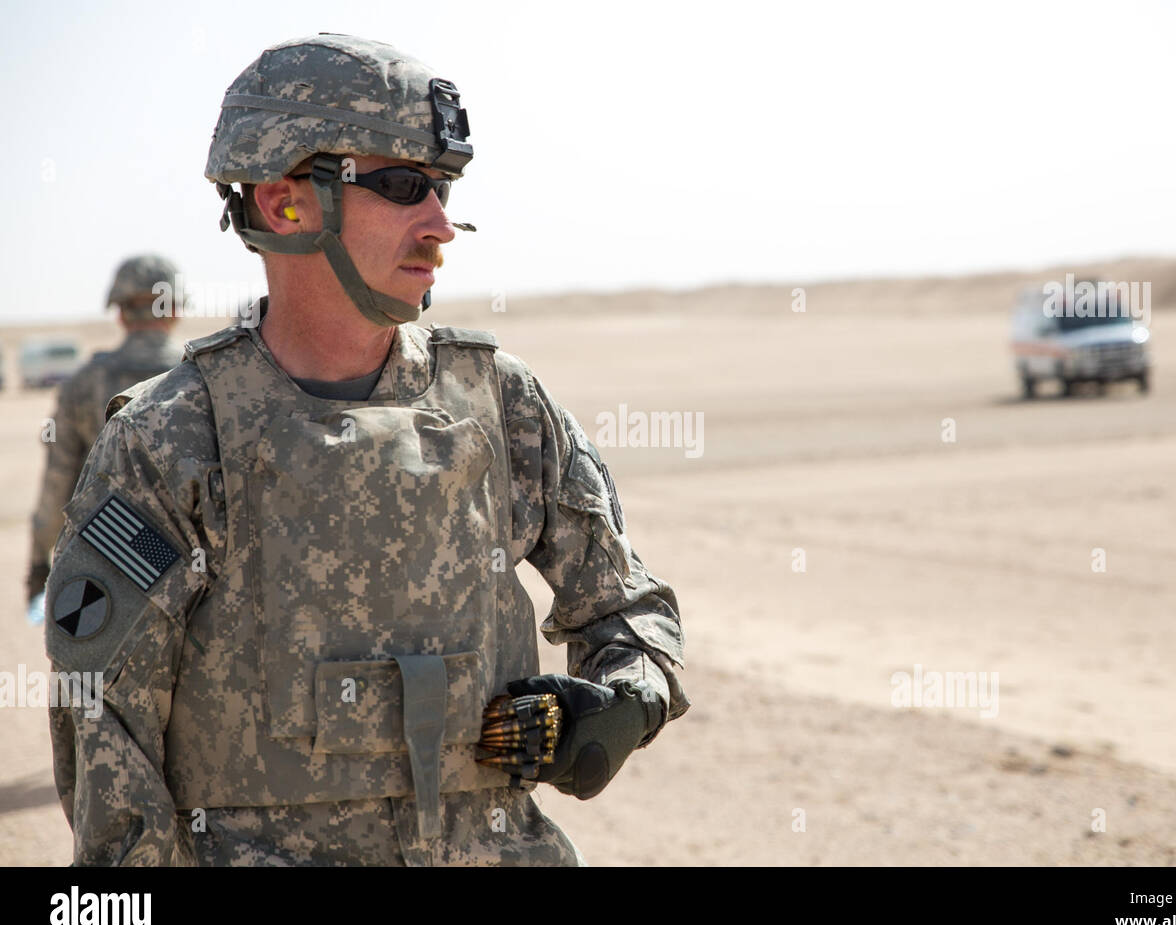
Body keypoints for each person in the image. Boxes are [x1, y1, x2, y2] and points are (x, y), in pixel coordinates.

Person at [44, 33, 687, 866]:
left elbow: (630, 610)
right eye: (403, 186)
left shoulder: (503, 405)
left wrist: (616, 705)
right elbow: (106, 729)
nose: (442, 226)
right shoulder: (168, 441)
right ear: (286, 204)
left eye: (445, 189)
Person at [27, 255, 184, 606]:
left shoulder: (82, 384)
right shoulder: (201, 379)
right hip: (189, 587)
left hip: (103, 580)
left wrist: (39, 566)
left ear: (121, 313)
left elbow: (57, 483)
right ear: (175, 309)